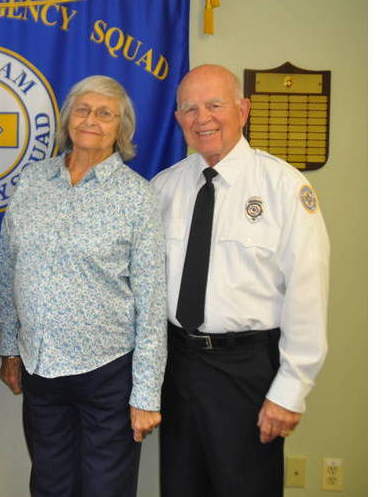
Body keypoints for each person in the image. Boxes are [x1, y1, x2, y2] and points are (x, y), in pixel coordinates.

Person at [152, 64, 330, 497]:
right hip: (178, 366)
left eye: (215, 105)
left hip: (248, 370)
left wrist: (291, 390)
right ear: (178, 120)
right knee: (181, 487)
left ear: (243, 109)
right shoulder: (163, 189)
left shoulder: (284, 187)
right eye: (190, 108)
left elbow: (307, 293)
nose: (202, 118)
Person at [0, 75, 166, 497]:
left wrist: (146, 393)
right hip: (41, 371)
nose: (92, 120)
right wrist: (10, 349)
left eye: (105, 113)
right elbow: (8, 271)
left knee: (105, 488)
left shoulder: (137, 197)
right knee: (49, 484)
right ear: (68, 119)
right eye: (84, 110)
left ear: (120, 129)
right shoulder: (34, 182)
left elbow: (152, 300)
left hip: (106, 373)